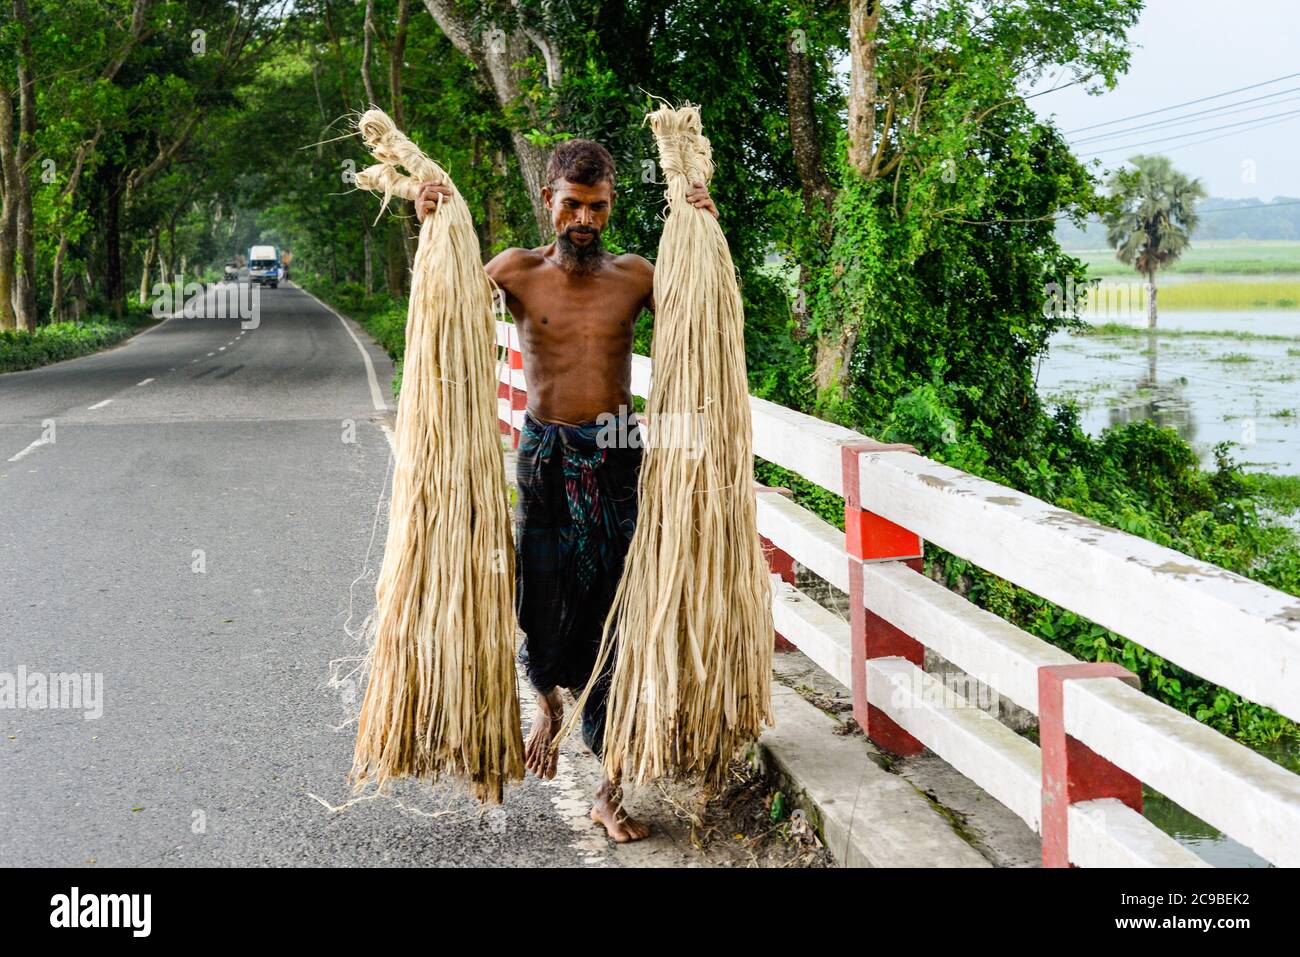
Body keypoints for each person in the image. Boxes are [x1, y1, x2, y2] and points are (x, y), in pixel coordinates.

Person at [413, 140, 717, 842]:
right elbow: (443, 300)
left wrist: (704, 223)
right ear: (548, 200)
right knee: (539, 604)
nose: (585, 219)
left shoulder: (637, 276)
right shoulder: (515, 271)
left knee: (617, 615)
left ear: (612, 203)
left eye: (598, 206)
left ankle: (608, 789)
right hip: (545, 458)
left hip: (615, 459)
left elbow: (704, 313)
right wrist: (429, 218)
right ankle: (546, 696)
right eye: (573, 205)